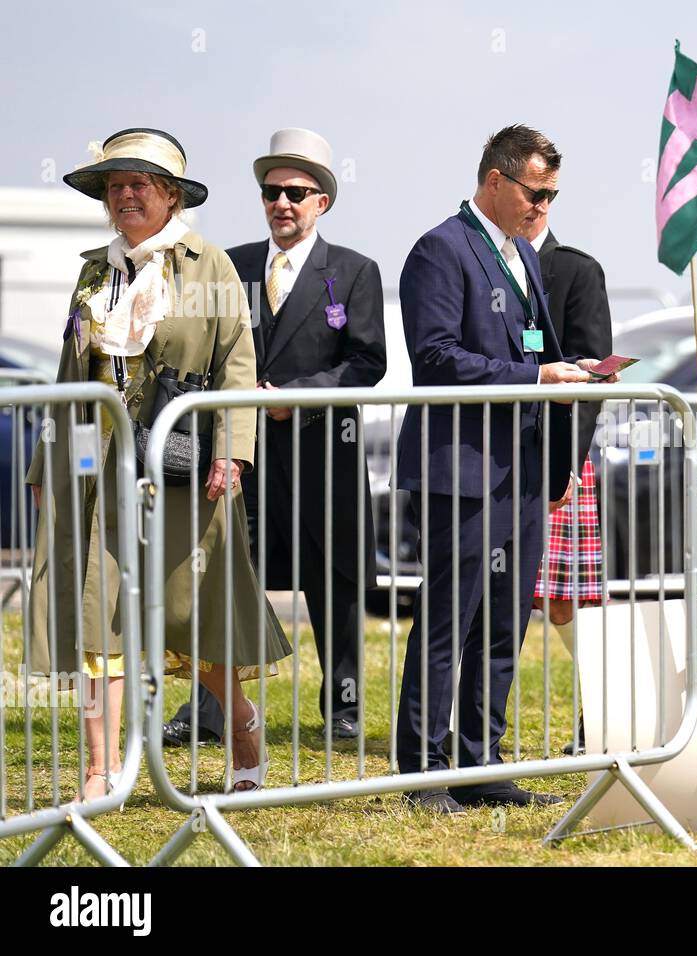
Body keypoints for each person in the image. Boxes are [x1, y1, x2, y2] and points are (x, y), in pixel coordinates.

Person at [28, 128, 291, 799]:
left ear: (170, 195)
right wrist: (45, 471)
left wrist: (233, 452)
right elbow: (69, 374)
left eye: (136, 184)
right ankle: (99, 771)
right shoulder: (95, 271)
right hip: (98, 468)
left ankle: (241, 728)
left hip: (185, 465)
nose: (122, 196)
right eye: (113, 187)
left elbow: (238, 366)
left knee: (194, 618)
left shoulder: (213, 268)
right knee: (99, 615)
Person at [394, 125, 611, 813]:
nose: (542, 205)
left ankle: (481, 762)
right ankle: (423, 771)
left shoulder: (522, 257)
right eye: (535, 191)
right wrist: (535, 372)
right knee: (447, 621)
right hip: (459, 465)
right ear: (495, 180)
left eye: (551, 195)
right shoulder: (440, 249)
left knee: (503, 622)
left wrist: (569, 370)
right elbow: (433, 357)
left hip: (519, 467)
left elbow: (532, 344)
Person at [161, 128, 386, 746]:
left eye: (295, 192)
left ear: (323, 202)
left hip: (321, 452)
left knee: (334, 578)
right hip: (239, 453)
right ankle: (210, 708)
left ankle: (342, 705)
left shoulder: (355, 271)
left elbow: (367, 363)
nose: (281, 203)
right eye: (271, 192)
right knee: (225, 573)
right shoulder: (226, 265)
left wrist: (298, 397)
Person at [520, 207, 614, 756]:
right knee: (489, 597)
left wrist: (566, 464)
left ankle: (603, 715)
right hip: (490, 454)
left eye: (543, 193)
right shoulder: (483, 264)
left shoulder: (577, 271)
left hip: (557, 458)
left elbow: (593, 376)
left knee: (564, 603)